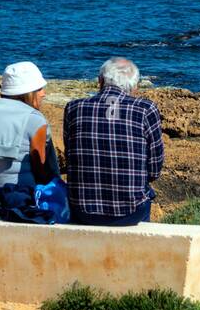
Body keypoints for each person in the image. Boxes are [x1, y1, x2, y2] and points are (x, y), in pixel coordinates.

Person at [62, 57, 164, 225]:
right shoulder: (145, 109)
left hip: (82, 210)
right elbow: (154, 171)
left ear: (100, 81)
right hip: (131, 212)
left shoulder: (74, 108)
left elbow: (70, 155)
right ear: (135, 86)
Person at [0, 61, 60, 215]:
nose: (44, 93)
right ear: (29, 92)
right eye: (40, 89)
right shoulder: (35, 119)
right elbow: (42, 172)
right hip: (18, 205)